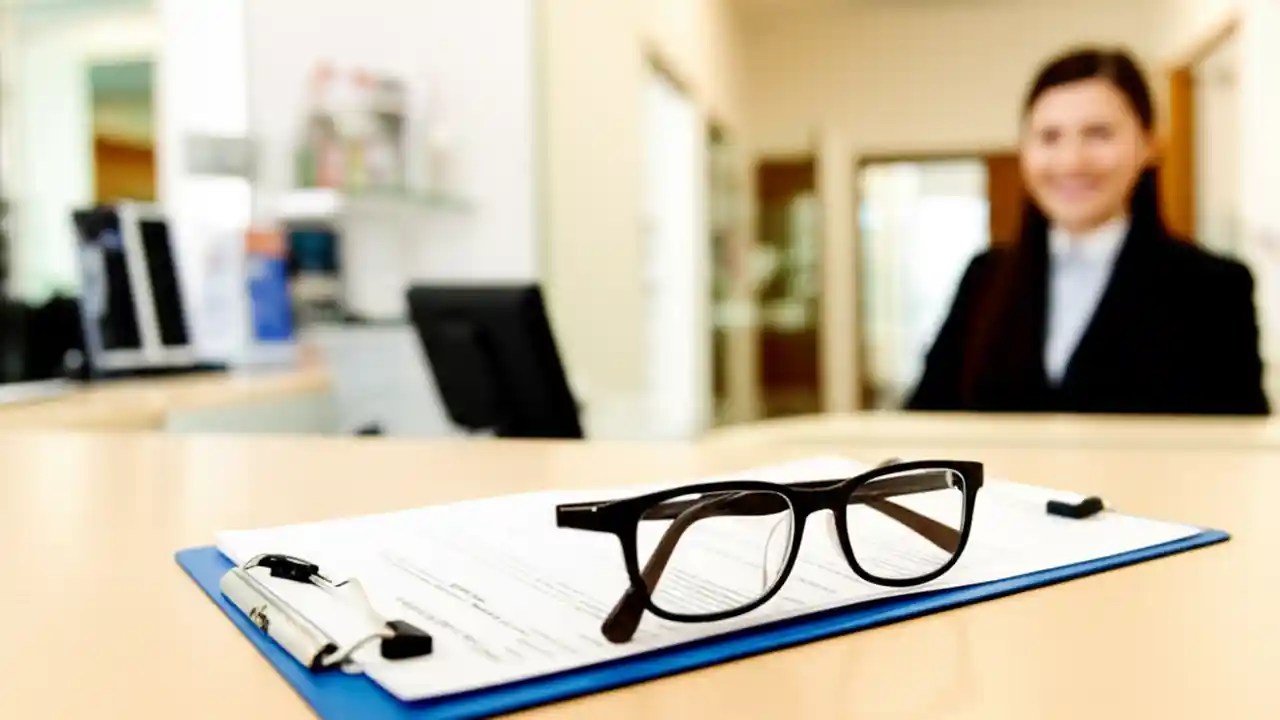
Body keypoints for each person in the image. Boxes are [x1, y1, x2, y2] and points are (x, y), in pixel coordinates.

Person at [907, 46, 1269, 415]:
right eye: (1049, 137)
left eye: (1098, 133)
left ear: (1148, 144)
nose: (1071, 161)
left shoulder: (1214, 287)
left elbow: (1237, 444)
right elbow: (926, 416)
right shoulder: (984, 277)